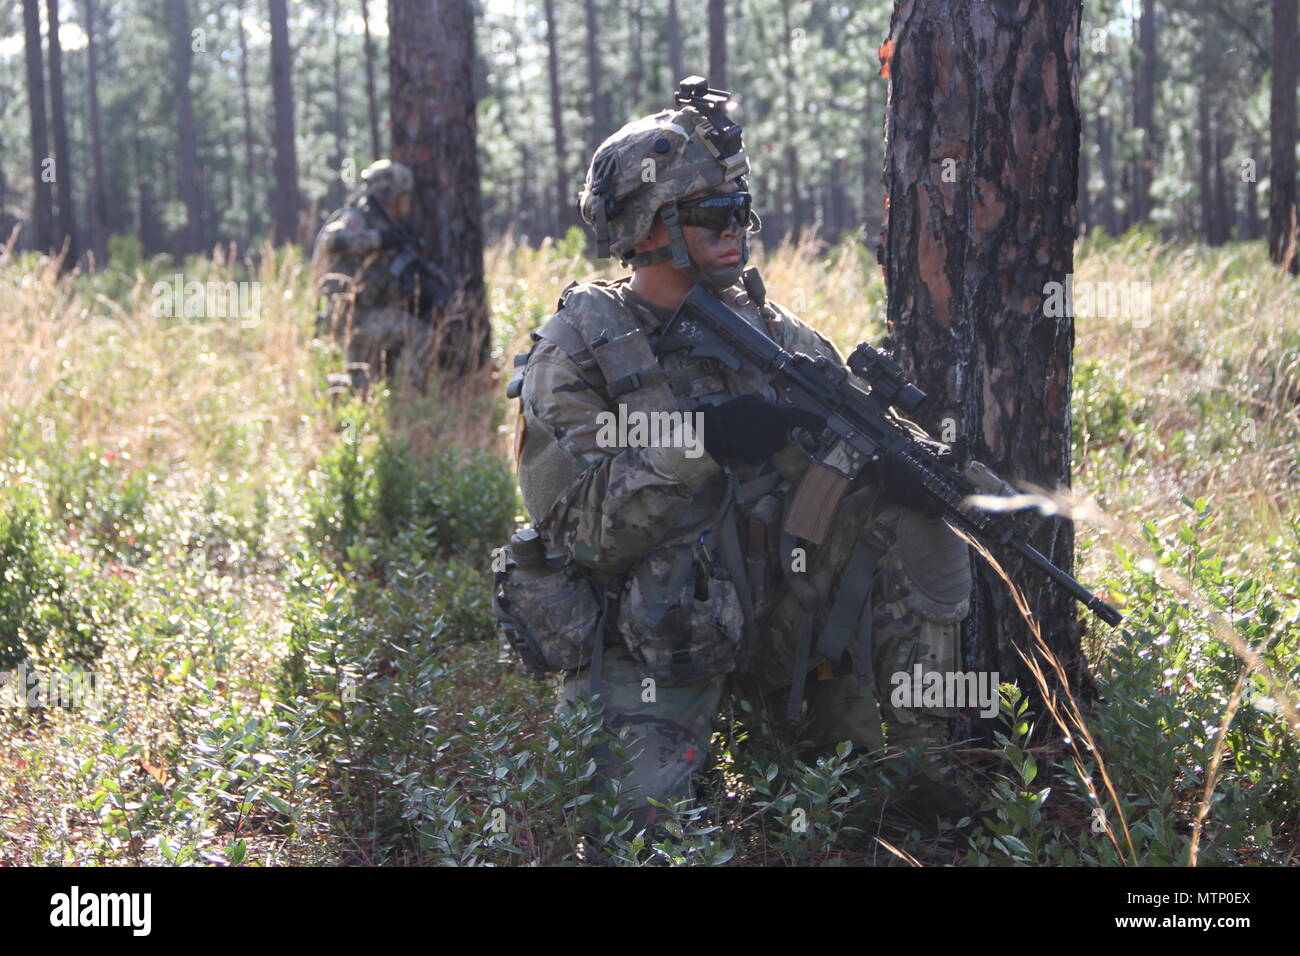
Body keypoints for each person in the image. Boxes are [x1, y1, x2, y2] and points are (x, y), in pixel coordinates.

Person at [499, 78, 978, 836]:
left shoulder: (769, 332)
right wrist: (705, 442)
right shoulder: (577, 353)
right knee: (644, 834)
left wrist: (901, 471)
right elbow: (581, 533)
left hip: (773, 611)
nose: (738, 231)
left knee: (917, 518)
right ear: (652, 227)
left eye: (743, 211)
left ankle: (920, 765)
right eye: (716, 214)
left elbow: (848, 437)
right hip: (653, 633)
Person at [310, 159, 448, 391]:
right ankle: (409, 396)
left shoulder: (391, 225)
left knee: (361, 383)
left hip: (367, 313)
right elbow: (333, 240)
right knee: (421, 336)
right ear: (391, 195)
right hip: (353, 317)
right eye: (405, 197)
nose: (409, 203)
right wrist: (379, 240)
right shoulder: (358, 218)